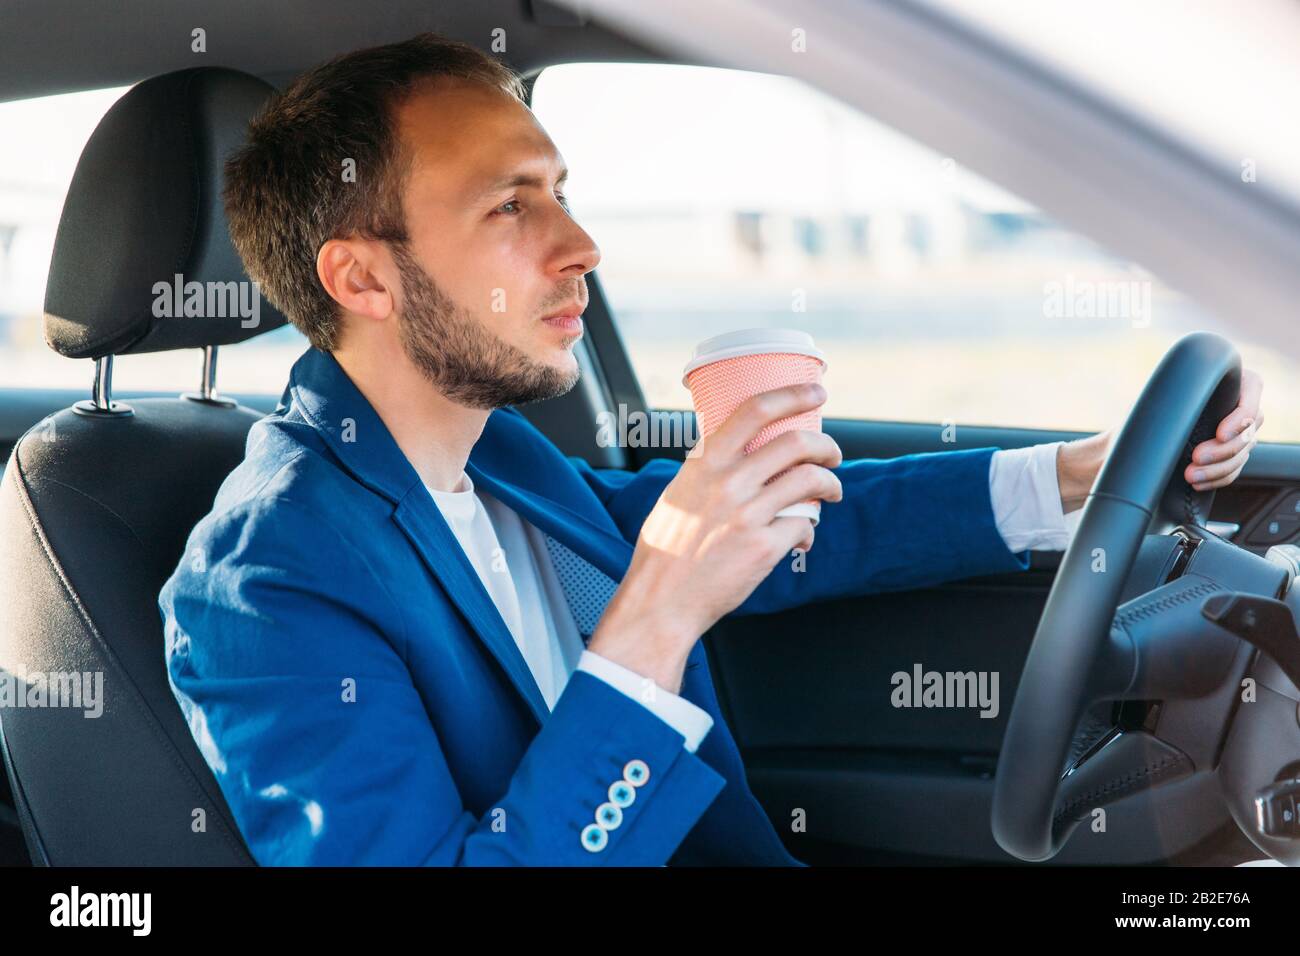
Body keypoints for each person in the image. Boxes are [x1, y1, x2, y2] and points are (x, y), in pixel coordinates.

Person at [158, 33, 1263, 866]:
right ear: (363, 278)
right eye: (510, 206)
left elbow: (783, 531)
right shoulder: (264, 584)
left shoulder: (498, 457)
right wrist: (653, 620)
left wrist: (1074, 475)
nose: (580, 245)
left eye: (561, 193)